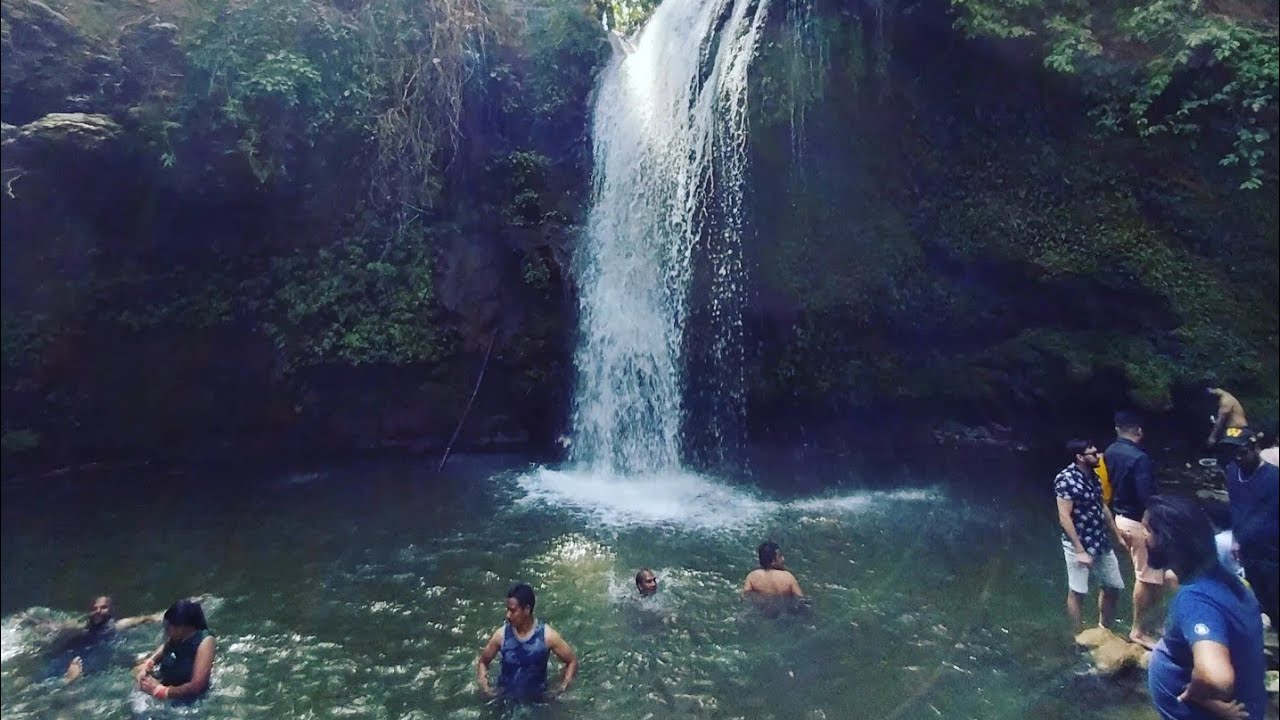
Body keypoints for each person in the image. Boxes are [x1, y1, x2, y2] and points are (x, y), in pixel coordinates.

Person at [1144, 495, 1265, 720]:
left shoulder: (1195, 599)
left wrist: (1198, 696)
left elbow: (1216, 677)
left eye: (1147, 530)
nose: (1143, 536)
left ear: (1167, 539)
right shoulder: (1229, 582)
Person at [1104, 410, 1163, 648]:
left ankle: (1157, 623)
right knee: (1146, 576)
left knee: (1153, 574)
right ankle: (1138, 630)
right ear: (1139, 430)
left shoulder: (1109, 452)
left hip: (1120, 516)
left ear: (1118, 428)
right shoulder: (1140, 458)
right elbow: (1145, 496)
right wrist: (1151, 524)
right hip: (1140, 521)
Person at [1054, 440, 1126, 633]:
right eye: (1093, 454)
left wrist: (1117, 536)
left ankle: (1104, 629)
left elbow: (1101, 507)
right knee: (1077, 590)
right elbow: (1064, 516)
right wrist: (1079, 549)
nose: (1098, 456)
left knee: (1113, 585)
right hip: (1079, 543)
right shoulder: (1066, 479)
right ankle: (1077, 635)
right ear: (1079, 457)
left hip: (1100, 539)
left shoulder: (1094, 476)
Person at [1218, 427, 1279, 629]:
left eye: (1242, 452)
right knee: (1255, 604)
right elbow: (1236, 509)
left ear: (1254, 448)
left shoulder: (1273, 477)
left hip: (1273, 554)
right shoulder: (1233, 472)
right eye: (1232, 452)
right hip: (1247, 553)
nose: (1237, 457)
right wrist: (1236, 539)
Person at [20, 595, 162, 682]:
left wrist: (157, 617)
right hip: (80, 653)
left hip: (103, 656)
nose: (98, 611)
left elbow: (142, 619)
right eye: (95, 608)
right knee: (41, 676)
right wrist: (31, 620)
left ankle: (70, 681)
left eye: (103, 607)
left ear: (111, 610)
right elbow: (54, 626)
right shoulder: (81, 628)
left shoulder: (118, 626)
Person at [476, 583, 578, 703]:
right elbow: (483, 662)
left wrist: (562, 687)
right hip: (505, 697)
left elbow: (572, 661)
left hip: (538, 700)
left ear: (527, 610)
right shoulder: (501, 635)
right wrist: (485, 686)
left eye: (513, 611)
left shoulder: (547, 636)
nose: (508, 615)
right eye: (507, 609)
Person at [134, 599, 215, 702]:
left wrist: (160, 691)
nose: (166, 631)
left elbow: (197, 686)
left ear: (181, 627)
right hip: (167, 685)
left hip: (189, 701)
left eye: (168, 628)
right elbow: (165, 647)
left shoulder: (205, 641)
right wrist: (149, 663)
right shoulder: (177, 637)